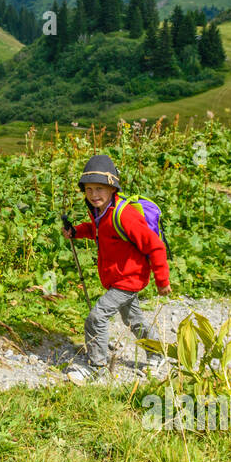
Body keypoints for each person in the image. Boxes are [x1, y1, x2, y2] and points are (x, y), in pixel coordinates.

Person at [60, 154, 171, 383]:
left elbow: (155, 246)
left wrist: (162, 281)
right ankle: (157, 353)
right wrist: (78, 232)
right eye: (89, 189)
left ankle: (97, 366)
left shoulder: (126, 215)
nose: (93, 195)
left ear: (113, 189)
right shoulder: (101, 212)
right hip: (117, 278)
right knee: (134, 320)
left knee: (96, 317)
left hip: (128, 279)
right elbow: (98, 230)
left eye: (99, 189)